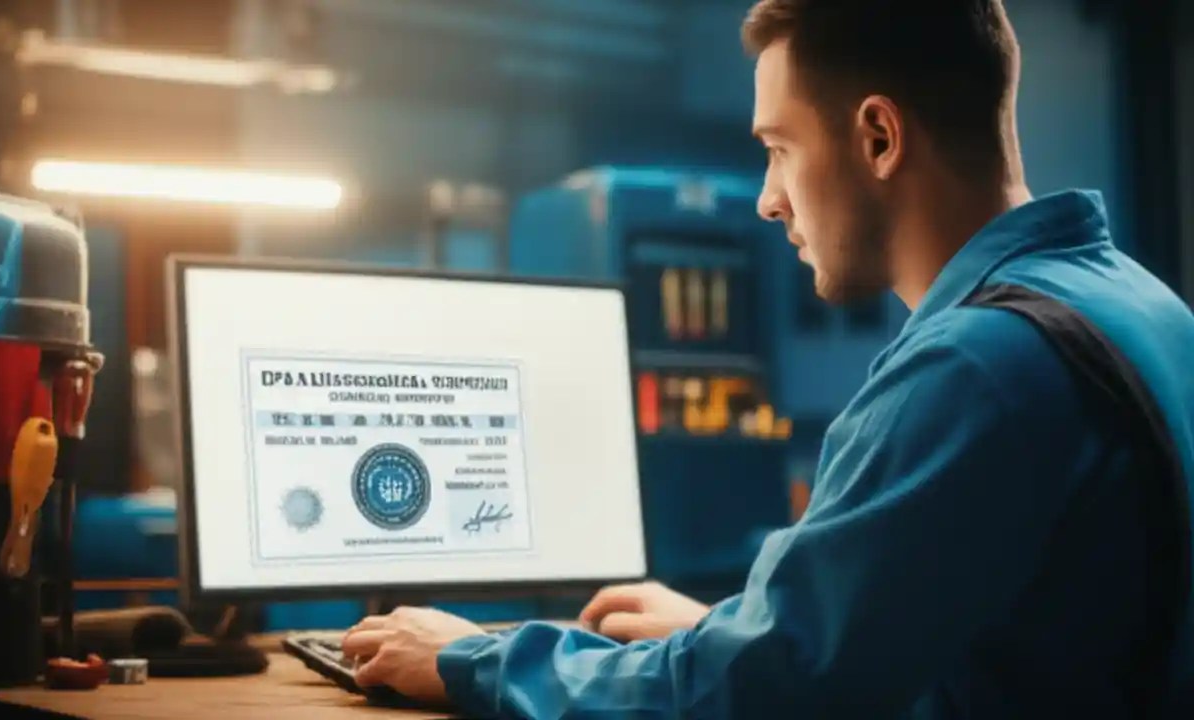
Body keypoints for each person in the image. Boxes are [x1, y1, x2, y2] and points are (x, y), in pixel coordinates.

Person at [340, 1, 1194, 717]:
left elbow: (767, 696)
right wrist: (733, 632)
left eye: (780, 148)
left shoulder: (976, 367)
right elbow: (997, 654)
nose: (768, 199)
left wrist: (474, 659)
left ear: (879, 137)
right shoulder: (1141, 307)